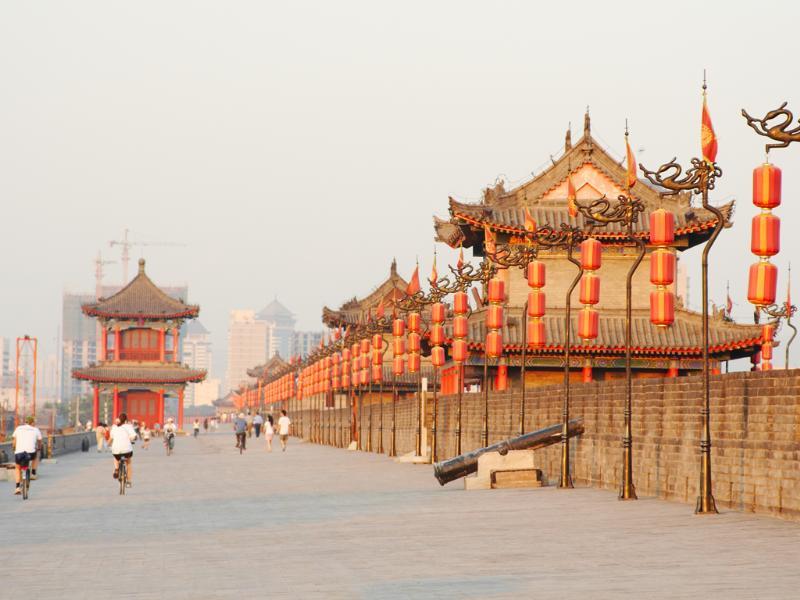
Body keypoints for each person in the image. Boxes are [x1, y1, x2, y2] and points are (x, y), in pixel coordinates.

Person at [11, 416, 42, 494]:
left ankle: (17, 487)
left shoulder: (18, 428)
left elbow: (14, 441)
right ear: (32, 422)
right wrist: (39, 448)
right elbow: (39, 441)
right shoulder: (36, 429)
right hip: (30, 453)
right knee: (37, 454)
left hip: (19, 453)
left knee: (17, 468)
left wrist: (14, 449)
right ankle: (33, 473)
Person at [108, 412, 137, 486]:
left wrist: (107, 445)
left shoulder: (114, 427)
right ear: (126, 420)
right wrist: (131, 439)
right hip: (127, 450)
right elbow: (134, 436)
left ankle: (117, 469)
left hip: (116, 450)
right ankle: (129, 482)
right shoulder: (129, 426)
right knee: (129, 464)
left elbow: (110, 439)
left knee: (115, 456)